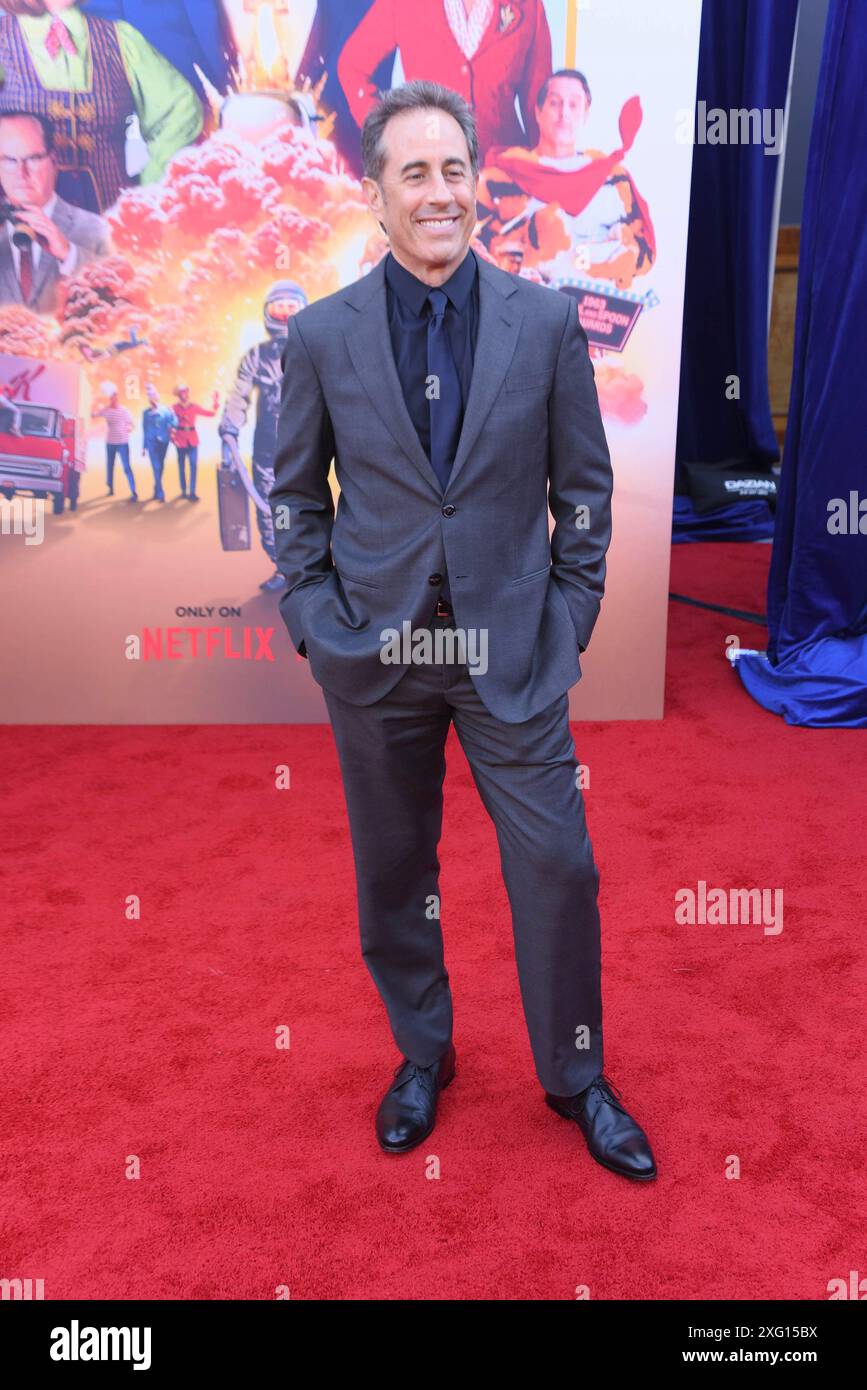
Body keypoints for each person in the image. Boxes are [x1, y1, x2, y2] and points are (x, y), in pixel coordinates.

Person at [269, 80, 658, 1180]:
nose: (438, 193)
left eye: (455, 171)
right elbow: (293, 497)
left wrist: (567, 619)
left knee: (559, 866)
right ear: (376, 193)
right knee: (396, 872)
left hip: (509, 651)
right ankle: (421, 1056)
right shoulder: (320, 336)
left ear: (478, 183)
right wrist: (315, 620)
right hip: (378, 654)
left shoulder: (544, 322)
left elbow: (583, 491)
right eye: (414, 173)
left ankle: (576, 1075)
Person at [0, 0, 204, 214]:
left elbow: (181, 111)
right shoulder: (3, 41)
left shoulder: (121, 39)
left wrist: (147, 186)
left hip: (107, 223)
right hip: (22, 226)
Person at [477, 69, 656, 288]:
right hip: (521, 311)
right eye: (555, 103)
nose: (564, 113)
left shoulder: (613, 178)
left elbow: (643, 249)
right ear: (538, 112)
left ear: (586, 114)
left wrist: (624, 259)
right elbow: (468, 250)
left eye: (573, 104)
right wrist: (521, 262)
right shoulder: (498, 178)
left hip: (595, 316)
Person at [334, 0, 552, 170]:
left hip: (504, 182)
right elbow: (352, 66)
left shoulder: (529, 6)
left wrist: (542, 176)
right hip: (429, 175)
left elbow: (540, 105)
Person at [219, 280, 308, 593]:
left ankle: (313, 569)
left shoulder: (318, 351)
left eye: (291, 309)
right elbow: (237, 395)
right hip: (268, 449)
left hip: (309, 448)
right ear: (268, 313)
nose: (284, 315)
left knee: (309, 508)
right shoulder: (256, 357)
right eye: (278, 308)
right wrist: (229, 430)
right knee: (269, 510)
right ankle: (283, 567)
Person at [0, 109, 109, 311]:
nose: (21, 173)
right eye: (9, 161)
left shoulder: (97, 230)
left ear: (54, 161)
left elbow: (121, 300)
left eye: (32, 158)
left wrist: (69, 255)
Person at [170, 383, 218, 503]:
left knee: (193, 466)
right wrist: (172, 438)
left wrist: (215, 401)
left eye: (186, 392)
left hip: (192, 440)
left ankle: (192, 492)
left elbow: (211, 414)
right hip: (180, 440)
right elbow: (168, 423)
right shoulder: (174, 408)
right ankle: (183, 491)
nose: (184, 394)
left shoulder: (194, 407)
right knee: (181, 467)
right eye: (182, 392)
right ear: (178, 395)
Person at [91, 384, 135, 499]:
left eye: (115, 397)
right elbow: (94, 415)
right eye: (111, 397)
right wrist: (92, 403)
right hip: (110, 443)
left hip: (123, 443)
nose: (113, 399)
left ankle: (133, 491)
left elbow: (131, 423)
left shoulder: (124, 410)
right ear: (110, 398)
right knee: (110, 466)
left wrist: (129, 428)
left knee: (127, 467)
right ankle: (110, 488)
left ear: (117, 398)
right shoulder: (106, 410)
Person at [140, 382, 174, 503]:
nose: (152, 399)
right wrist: (143, 447)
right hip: (151, 443)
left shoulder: (165, 410)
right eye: (150, 397)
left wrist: (172, 415)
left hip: (164, 442)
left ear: (157, 397)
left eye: (153, 396)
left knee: (160, 467)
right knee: (156, 466)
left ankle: (156, 489)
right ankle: (160, 493)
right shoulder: (145, 413)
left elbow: (174, 422)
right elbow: (144, 429)